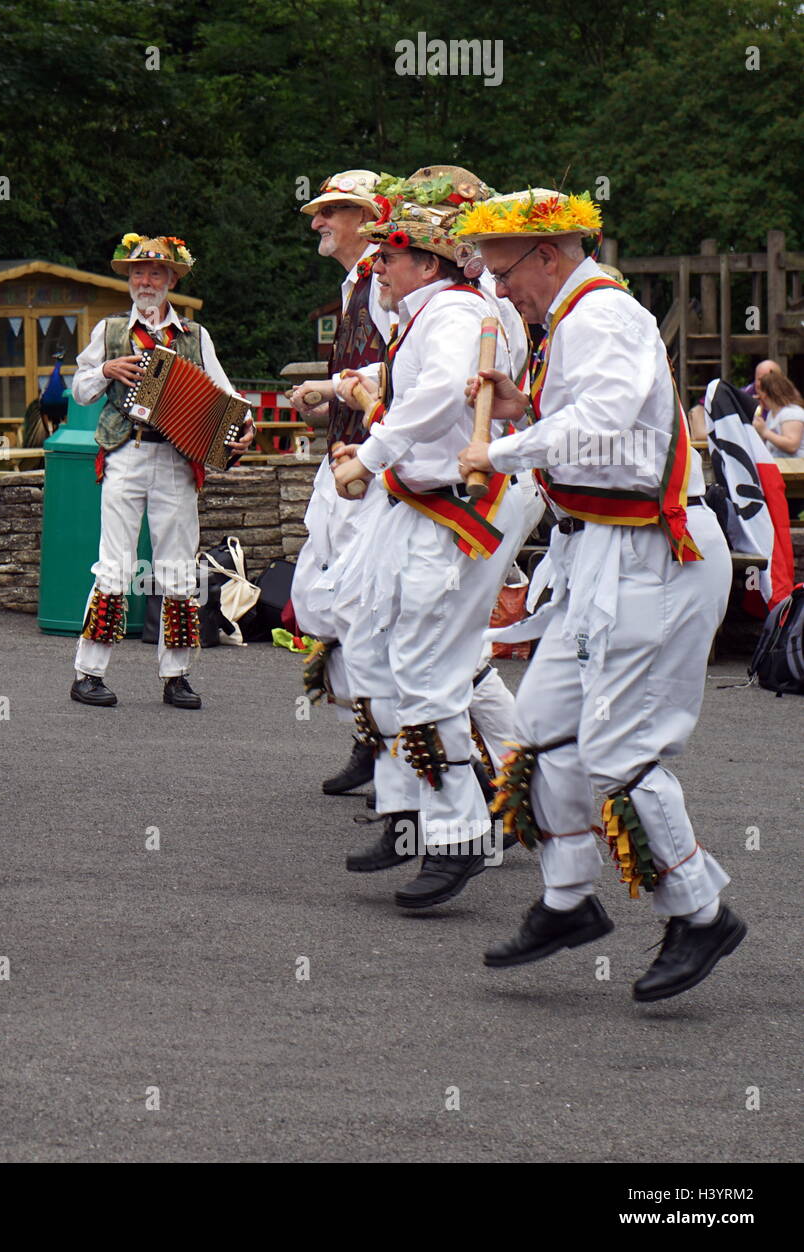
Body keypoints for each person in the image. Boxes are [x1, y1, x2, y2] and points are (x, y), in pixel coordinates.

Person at [455, 187, 745, 1002]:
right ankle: (567, 899)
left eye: (502, 266)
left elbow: (612, 420)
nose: (496, 286)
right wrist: (530, 410)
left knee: (622, 748)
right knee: (544, 732)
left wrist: (505, 446)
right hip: (600, 554)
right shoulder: (572, 321)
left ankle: (699, 911)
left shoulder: (603, 316)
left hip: (656, 552)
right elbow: (593, 419)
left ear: (547, 254)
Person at [331, 173, 535, 911]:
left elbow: (445, 387)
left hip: (452, 509)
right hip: (415, 503)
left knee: (426, 666)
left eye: (388, 255)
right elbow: (411, 383)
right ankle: (410, 810)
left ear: (426, 261)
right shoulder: (428, 311)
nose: (376, 267)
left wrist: (373, 451)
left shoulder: (453, 311)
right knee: (372, 643)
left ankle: (457, 833)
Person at [67, 235, 254, 709]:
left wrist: (245, 427)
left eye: (154, 274)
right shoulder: (110, 331)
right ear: (128, 279)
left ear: (171, 280)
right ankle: (88, 673)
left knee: (175, 568)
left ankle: (176, 676)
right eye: (137, 273)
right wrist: (107, 369)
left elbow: (225, 394)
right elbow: (81, 391)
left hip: (175, 459)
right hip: (125, 455)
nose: (144, 281)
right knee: (116, 565)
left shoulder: (195, 336)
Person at [288, 169, 392, 796]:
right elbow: (379, 379)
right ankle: (371, 739)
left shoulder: (389, 275)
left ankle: (396, 751)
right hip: (350, 452)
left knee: (364, 601)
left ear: (368, 217)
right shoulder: (357, 281)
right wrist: (332, 409)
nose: (318, 222)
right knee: (329, 594)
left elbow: (403, 363)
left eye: (331, 211)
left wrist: (332, 387)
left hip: (377, 466)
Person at [752, 368, 804, 457]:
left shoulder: (791, 412)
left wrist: (764, 431)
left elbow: (792, 446)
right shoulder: (772, 414)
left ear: (764, 394)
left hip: (795, 468)